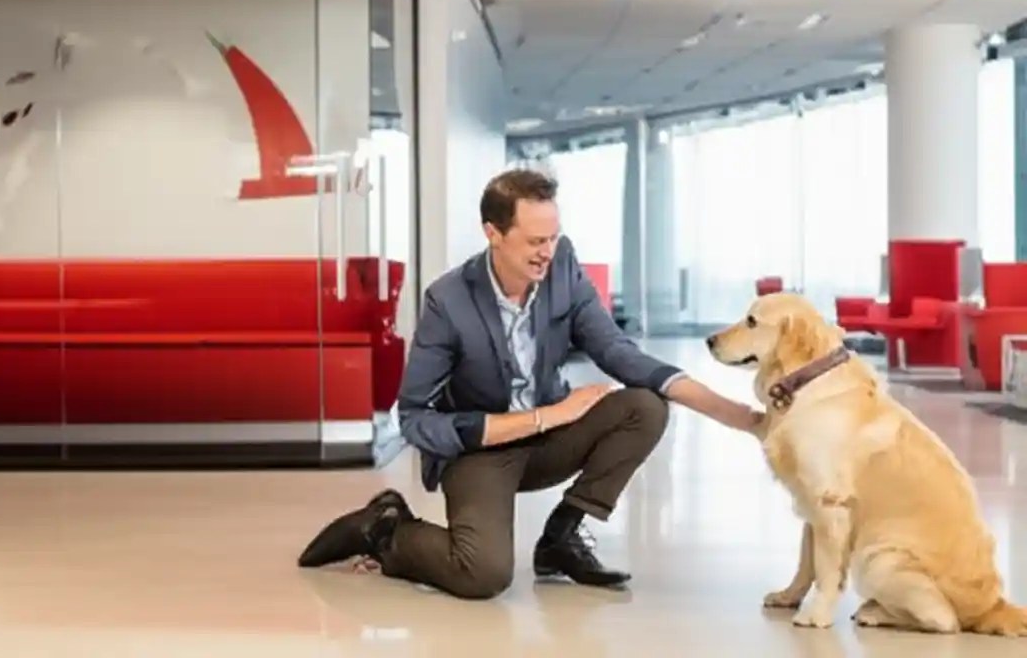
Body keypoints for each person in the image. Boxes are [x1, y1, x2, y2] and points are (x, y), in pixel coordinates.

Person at [297, 168, 762, 599]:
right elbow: (415, 417)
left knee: (644, 406)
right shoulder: (448, 300)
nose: (548, 250)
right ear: (493, 234)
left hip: (548, 441)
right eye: (536, 239)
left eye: (554, 237)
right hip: (481, 451)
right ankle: (386, 528)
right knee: (483, 575)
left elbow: (619, 353)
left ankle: (559, 540)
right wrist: (542, 416)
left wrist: (739, 416)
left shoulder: (562, 269)